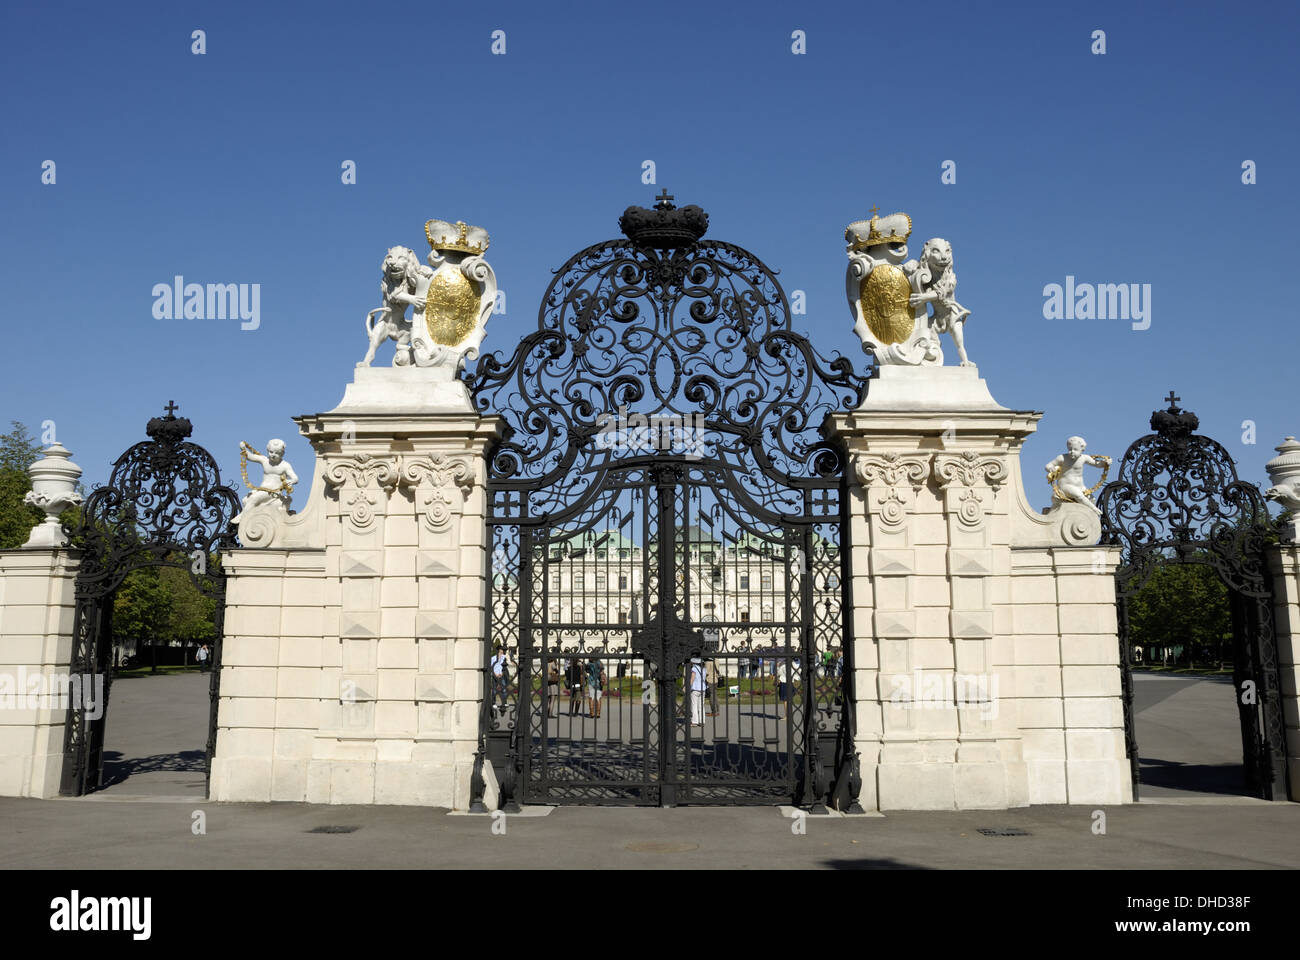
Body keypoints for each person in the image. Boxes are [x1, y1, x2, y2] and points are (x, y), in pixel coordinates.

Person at [491, 645, 510, 710]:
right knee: (494, 690)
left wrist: (502, 673)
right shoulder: (493, 658)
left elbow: (505, 666)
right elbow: (491, 667)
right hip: (495, 675)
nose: (503, 651)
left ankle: (504, 702)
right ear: (499, 650)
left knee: (504, 689)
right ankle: (493, 703)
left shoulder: (504, 657)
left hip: (502, 675)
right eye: (502, 649)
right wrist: (495, 674)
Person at [688, 659, 706, 726]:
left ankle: (695, 721)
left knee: (694, 705)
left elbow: (692, 678)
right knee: (701, 706)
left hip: (695, 688)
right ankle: (702, 721)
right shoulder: (704, 669)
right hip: (703, 688)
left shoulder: (694, 668)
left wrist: (688, 686)